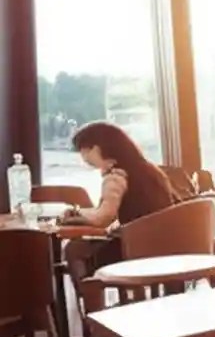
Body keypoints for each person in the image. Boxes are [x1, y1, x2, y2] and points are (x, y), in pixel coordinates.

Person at [62, 122, 179, 309]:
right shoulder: (149, 170)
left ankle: (93, 307)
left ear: (99, 148)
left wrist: (74, 215)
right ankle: (131, 300)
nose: (83, 157)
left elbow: (103, 217)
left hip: (136, 249)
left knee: (75, 250)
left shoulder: (116, 175)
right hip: (165, 245)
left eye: (85, 149)